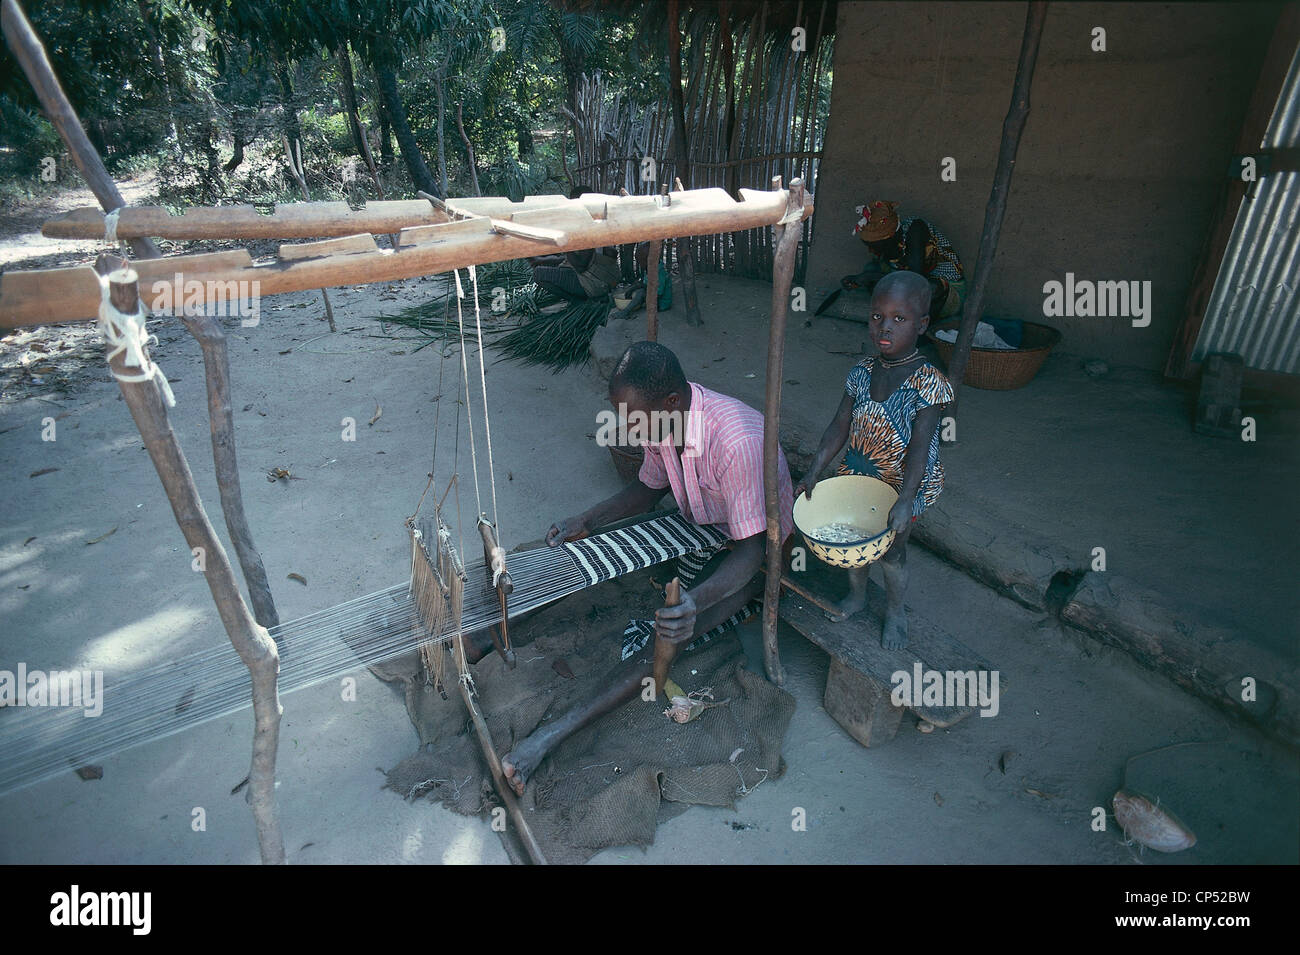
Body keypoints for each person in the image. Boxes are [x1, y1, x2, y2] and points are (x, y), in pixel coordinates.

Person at [500, 341, 794, 795]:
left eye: (635, 418)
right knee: (592, 562)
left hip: (751, 554)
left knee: (667, 636)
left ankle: (547, 739)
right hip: (703, 527)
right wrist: (588, 520)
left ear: (672, 403)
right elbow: (645, 492)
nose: (629, 427)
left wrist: (695, 602)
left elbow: (753, 552)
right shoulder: (664, 422)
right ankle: (489, 633)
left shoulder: (737, 442)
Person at [795, 271, 953, 649]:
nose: (885, 327)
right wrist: (815, 470)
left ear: (922, 325)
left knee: (893, 549)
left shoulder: (929, 382)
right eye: (877, 316)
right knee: (857, 536)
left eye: (900, 319)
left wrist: (905, 499)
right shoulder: (862, 371)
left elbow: (920, 446)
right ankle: (858, 595)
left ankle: (896, 611)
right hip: (862, 471)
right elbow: (839, 424)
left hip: (905, 482)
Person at [841, 200, 965, 322]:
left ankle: (919, 331)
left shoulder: (916, 230)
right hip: (908, 294)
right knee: (871, 268)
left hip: (947, 296)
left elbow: (914, 280)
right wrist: (862, 279)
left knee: (930, 288)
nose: (870, 251)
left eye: (874, 246)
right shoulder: (890, 245)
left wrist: (870, 277)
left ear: (889, 239)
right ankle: (896, 320)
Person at [528, 184, 621, 302]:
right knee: (549, 263)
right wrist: (543, 261)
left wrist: (566, 243)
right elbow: (586, 258)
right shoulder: (599, 219)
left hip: (596, 284)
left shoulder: (588, 226)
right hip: (608, 279)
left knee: (539, 274)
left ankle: (581, 302)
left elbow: (580, 266)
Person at [610, 242, 672, 320]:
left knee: (640, 292)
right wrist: (634, 288)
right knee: (637, 288)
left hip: (662, 304)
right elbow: (646, 284)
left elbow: (658, 292)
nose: (639, 264)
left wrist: (641, 287)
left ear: (649, 259)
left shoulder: (659, 272)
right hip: (655, 299)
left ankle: (625, 312)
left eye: (641, 262)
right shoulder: (650, 267)